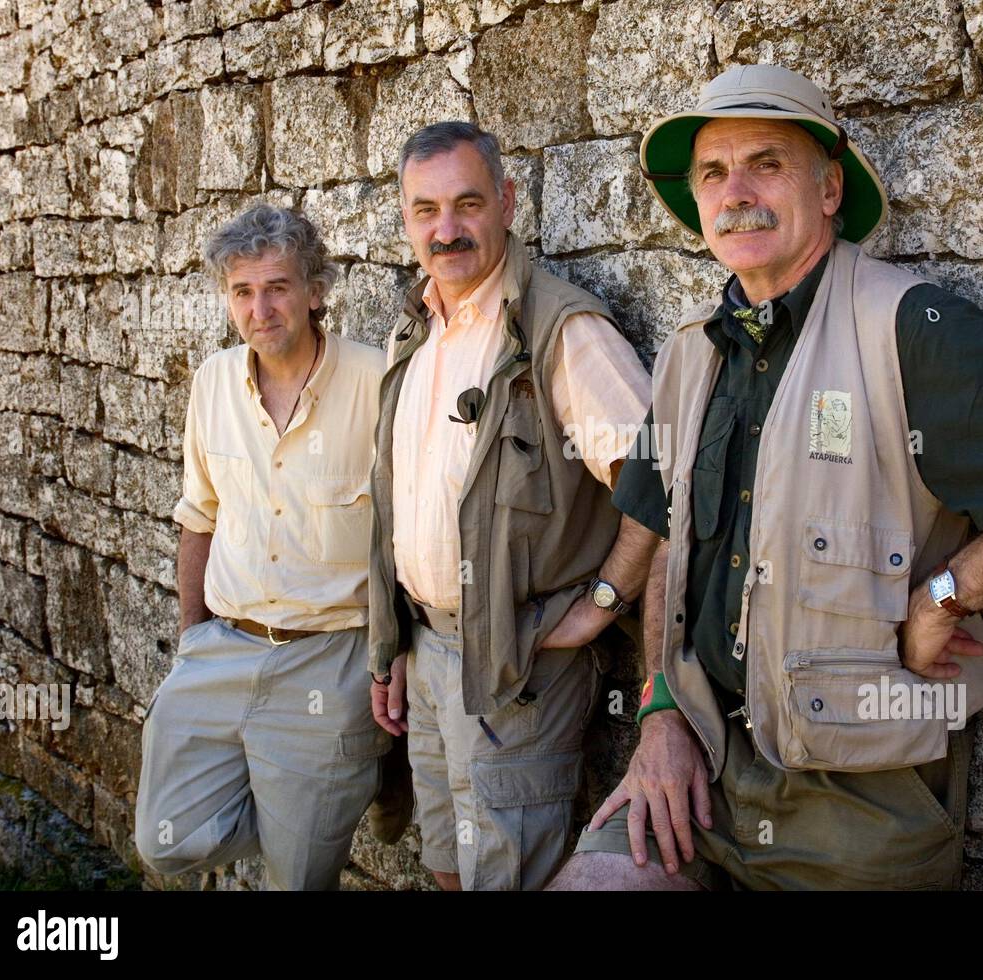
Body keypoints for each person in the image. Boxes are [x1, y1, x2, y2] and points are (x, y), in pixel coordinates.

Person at [549, 64, 983, 891]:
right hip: (699, 763)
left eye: (767, 163)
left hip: (859, 800)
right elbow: (664, 540)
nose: (737, 193)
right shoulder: (691, 350)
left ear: (829, 189)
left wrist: (945, 595)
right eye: (714, 173)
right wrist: (658, 709)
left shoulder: (909, 325)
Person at [367, 122, 660, 890]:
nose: (447, 228)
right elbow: (402, 506)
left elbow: (660, 481)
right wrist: (397, 644)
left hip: (515, 670)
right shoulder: (415, 334)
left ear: (506, 201)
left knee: (504, 876)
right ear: (405, 219)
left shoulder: (559, 331)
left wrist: (604, 600)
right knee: (447, 866)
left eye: (467, 203)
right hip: (429, 658)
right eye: (426, 209)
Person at [135, 205, 391, 890]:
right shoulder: (213, 382)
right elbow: (199, 515)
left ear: (315, 291)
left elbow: (412, 527)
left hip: (328, 659)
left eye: (278, 287)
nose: (261, 308)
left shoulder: (377, 380)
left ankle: (313, 814)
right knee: (164, 839)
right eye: (243, 292)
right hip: (220, 647)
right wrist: (191, 638)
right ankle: (314, 806)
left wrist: (389, 661)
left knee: (298, 879)